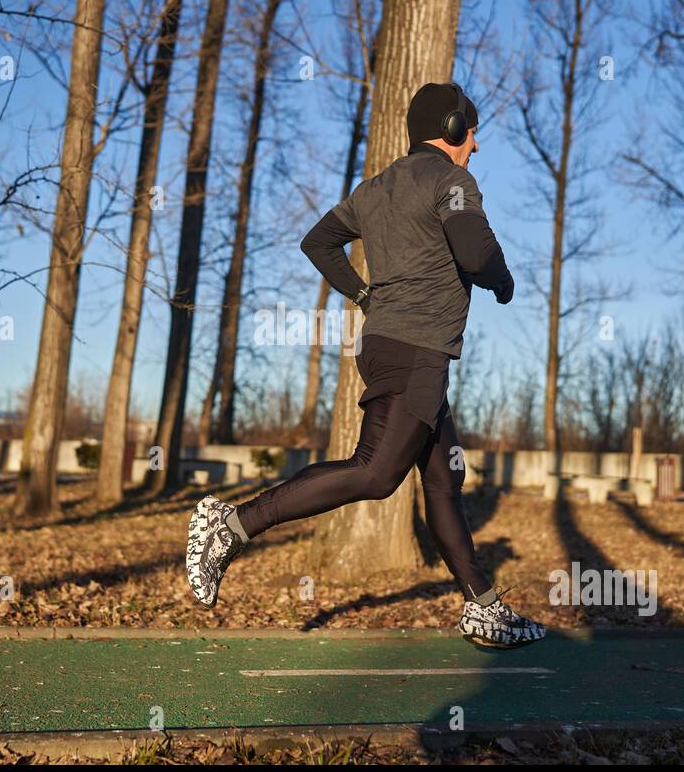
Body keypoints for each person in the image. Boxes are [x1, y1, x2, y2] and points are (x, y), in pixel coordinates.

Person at [185, 81, 546, 649]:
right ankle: (230, 524)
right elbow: (476, 254)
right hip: (417, 351)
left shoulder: (373, 189)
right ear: (452, 129)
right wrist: (502, 280)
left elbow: (318, 242)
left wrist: (361, 295)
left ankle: (484, 608)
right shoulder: (452, 181)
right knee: (376, 474)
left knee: (444, 479)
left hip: (385, 344)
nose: (475, 145)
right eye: (471, 132)